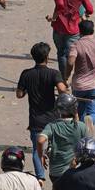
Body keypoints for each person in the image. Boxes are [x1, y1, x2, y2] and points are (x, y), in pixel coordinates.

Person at [16, 40, 66, 179]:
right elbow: (62, 89)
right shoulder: (54, 73)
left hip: (35, 119)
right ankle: (58, 174)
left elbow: (19, 94)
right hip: (53, 119)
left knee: (36, 150)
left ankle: (40, 178)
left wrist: (27, 90)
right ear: (47, 57)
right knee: (57, 147)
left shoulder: (26, 74)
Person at [66, 20, 95, 128]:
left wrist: (66, 76)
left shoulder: (76, 45)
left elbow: (70, 62)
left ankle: (81, 135)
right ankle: (90, 120)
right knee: (93, 113)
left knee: (80, 114)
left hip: (79, 87)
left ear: (80, 31)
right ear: (93, 30)